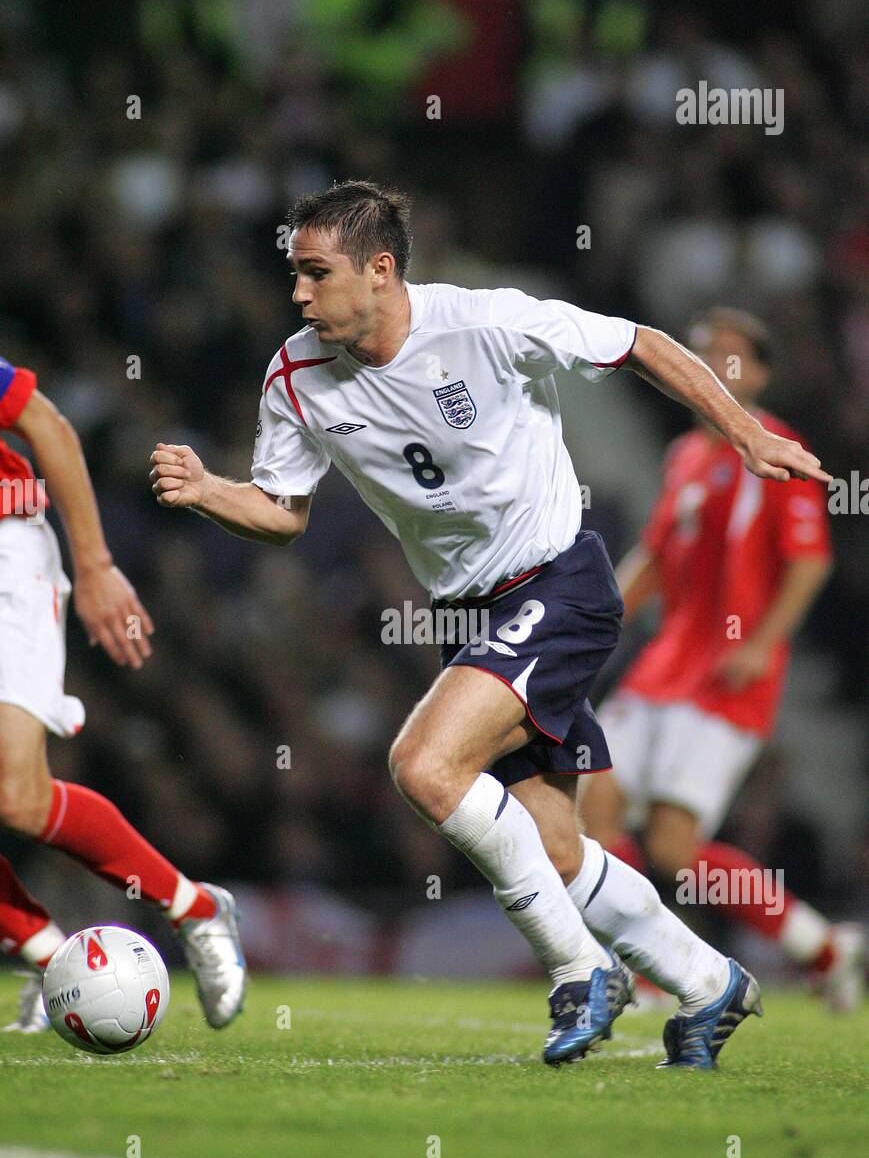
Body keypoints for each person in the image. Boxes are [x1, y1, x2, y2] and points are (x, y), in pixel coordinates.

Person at [150, 181, 830, 1068]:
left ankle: (577, 973)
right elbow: (283, 510)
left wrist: (740, 431)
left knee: (425, 767)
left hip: (559, 583)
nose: (298, 294)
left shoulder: (487, 323)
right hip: (466, 613)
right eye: (294, 275)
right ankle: (708, 983)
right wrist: (209, 493)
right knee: (554, 847)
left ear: (381, 269)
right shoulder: (294, 375)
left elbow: (640, 344)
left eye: (316, 273)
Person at [583, 308, 863, 1012]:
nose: (720, 368)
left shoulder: (776, 447)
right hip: (662, 667)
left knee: (676, 849)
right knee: (595, 809)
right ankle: (645, 975)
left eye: (735, 358)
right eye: (705, 355)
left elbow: (808, 560)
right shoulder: (684, 455)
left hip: (727, 678)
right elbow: (654, 551)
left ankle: (823, 946)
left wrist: (763, 644)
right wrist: (600, 615)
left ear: (762, 373)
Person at [0, 358, 246, 1032]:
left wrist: (96, 567)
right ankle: (51, 961)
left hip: (6, 555)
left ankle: (195, 908)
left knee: (17, 799)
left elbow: (46, 427)